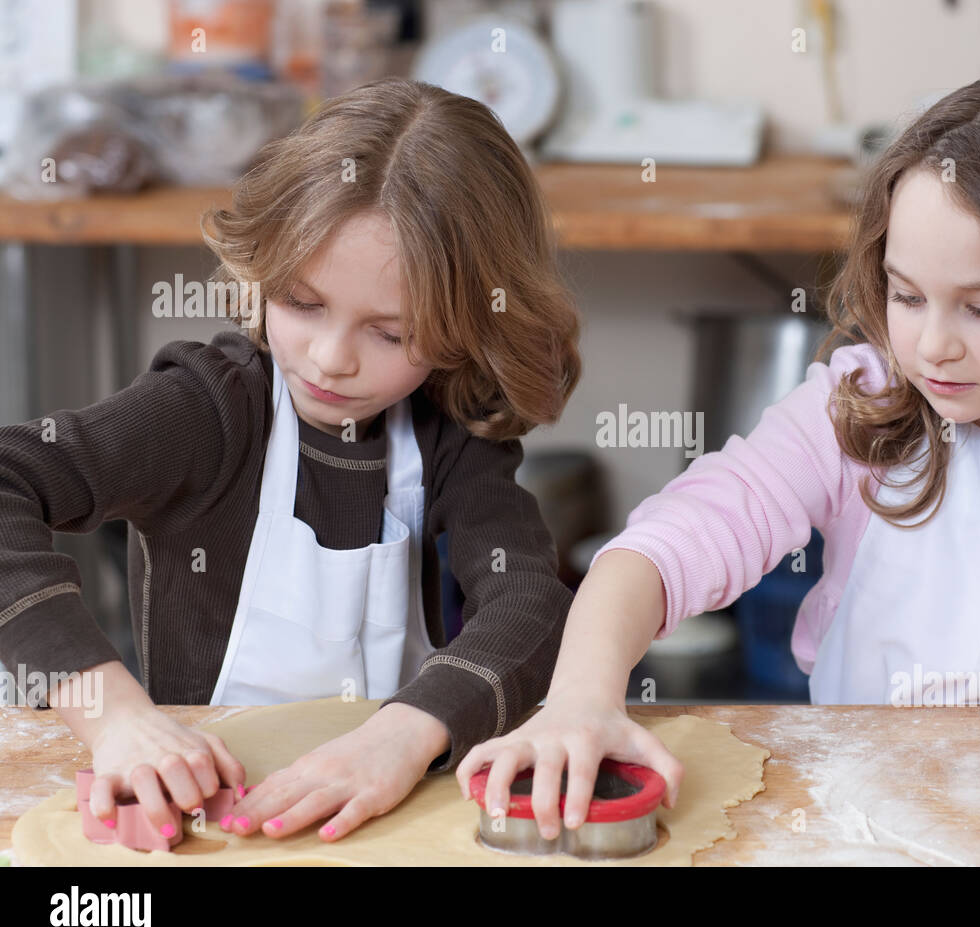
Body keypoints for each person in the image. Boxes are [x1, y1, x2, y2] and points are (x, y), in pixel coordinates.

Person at [456, 72, 980, 843]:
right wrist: (579, 698)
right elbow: (670, 543)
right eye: (905, 295)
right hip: (859, 805)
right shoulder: (858, 409)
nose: (931, 344)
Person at [0, 78, 581, 843]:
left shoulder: (447, 434)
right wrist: (117, 719)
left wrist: (403, 736)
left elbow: (530, 602)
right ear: (262, 263)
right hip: (212, 821)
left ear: (467, 328)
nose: (331, 359)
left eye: (392, 333)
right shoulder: (208, 410)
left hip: (387, 815)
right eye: (303, 304)